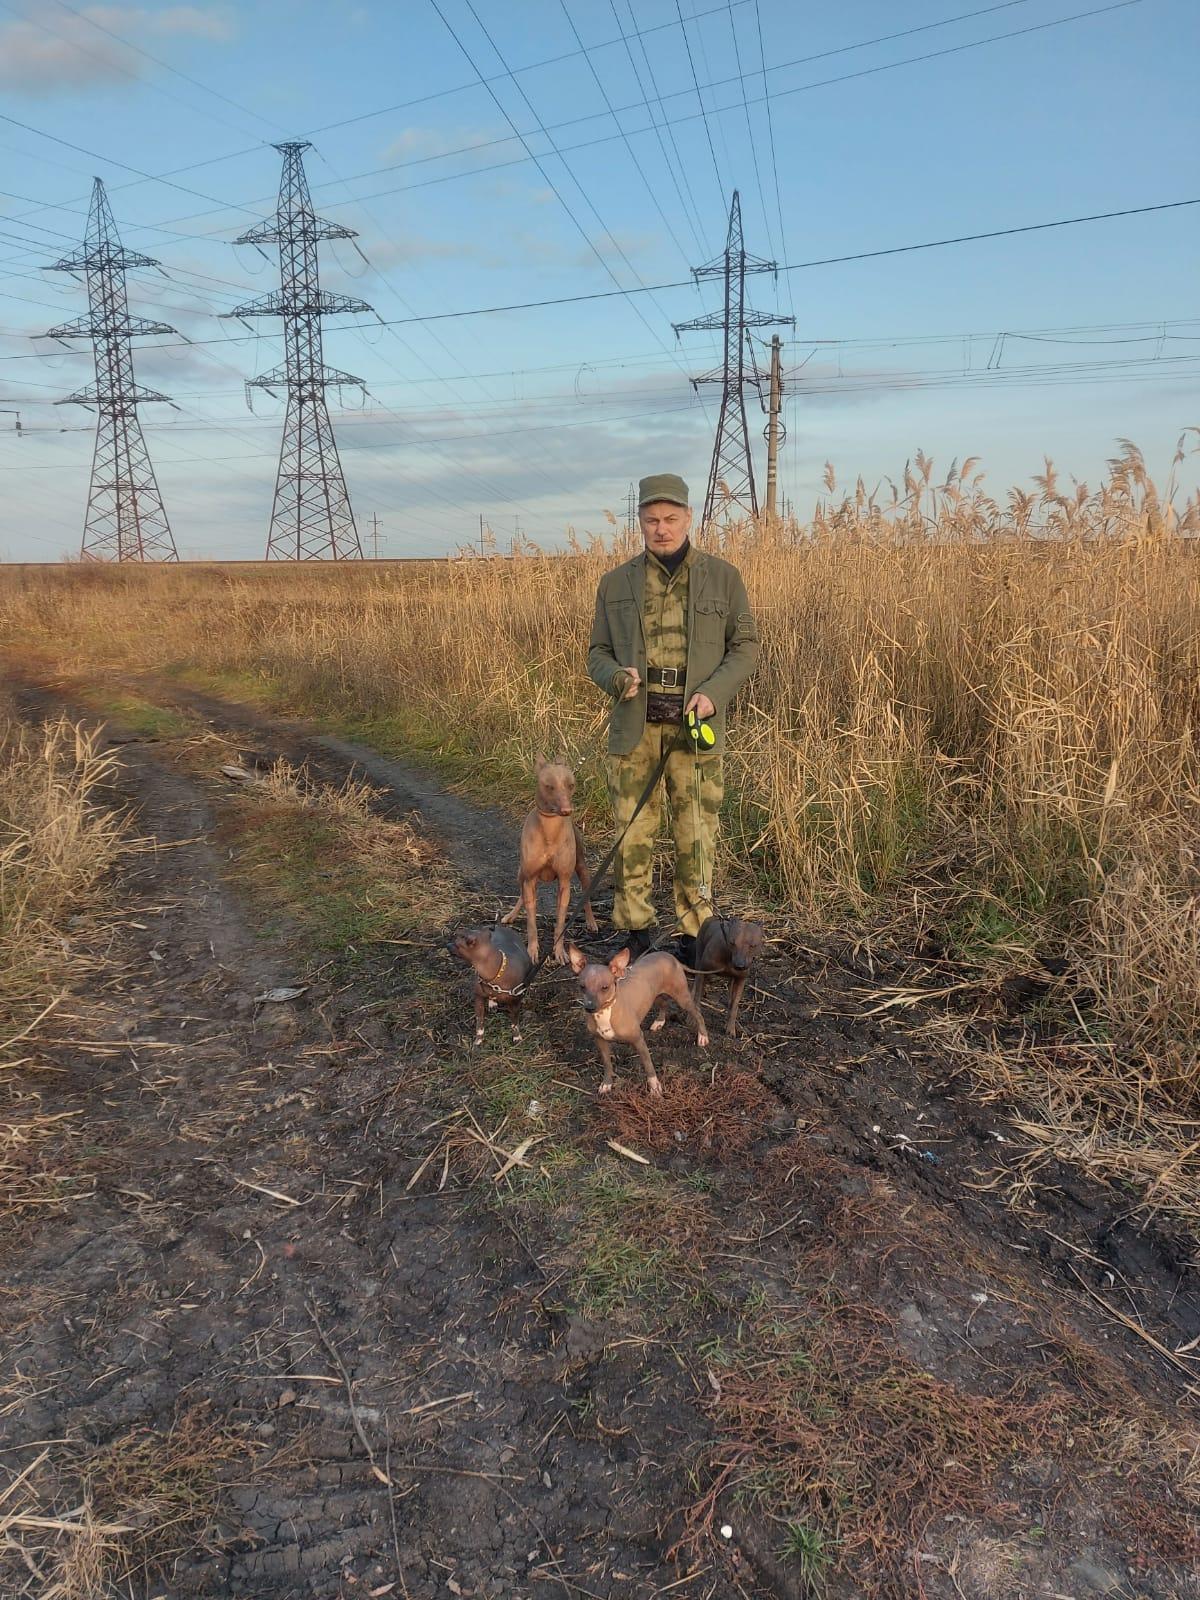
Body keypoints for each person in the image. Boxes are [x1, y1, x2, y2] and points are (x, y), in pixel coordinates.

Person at [587, 472, 760, 964]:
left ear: (689, 518)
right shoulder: (615, 583)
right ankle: (636, 930)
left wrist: (711, 694)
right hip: (634, 728)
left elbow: (745, 649)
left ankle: (693, 931)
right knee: (632, 831)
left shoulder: (724, 578)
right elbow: (596, 652)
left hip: (695, 730)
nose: (661, 529)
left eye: (670, 519)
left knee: (695, 832)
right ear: (639, 521)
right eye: (650, 520)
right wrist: (616, 678)